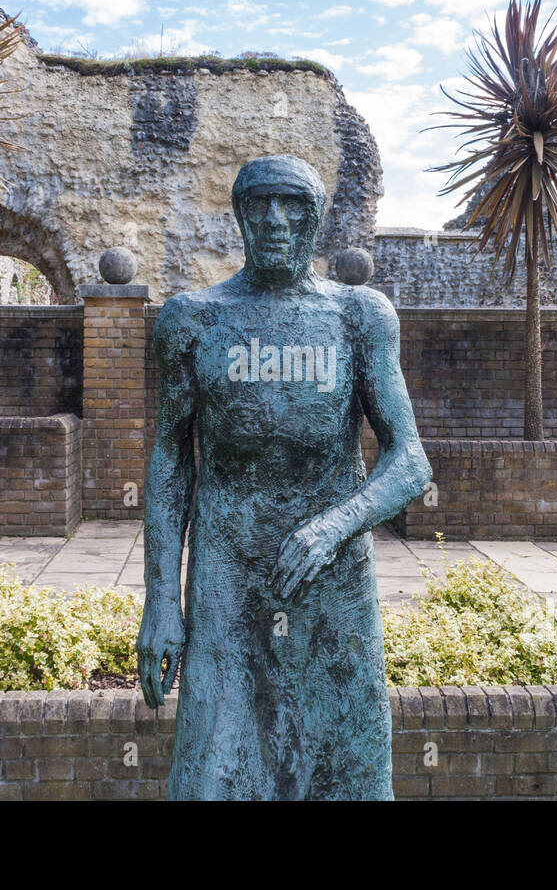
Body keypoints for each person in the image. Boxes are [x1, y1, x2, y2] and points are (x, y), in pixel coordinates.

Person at [138, 154, 431, 800]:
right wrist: (162, 599)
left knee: (344, 779)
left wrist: (333, 527)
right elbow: (169, 458)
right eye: (260, 204)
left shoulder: (359, 318)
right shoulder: (193, 321)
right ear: (240, 215)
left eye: (293, 204)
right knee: (209, 780)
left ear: (316, 217)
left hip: (332, 593)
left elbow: (410, 459)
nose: (275, 220)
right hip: (227, 590)